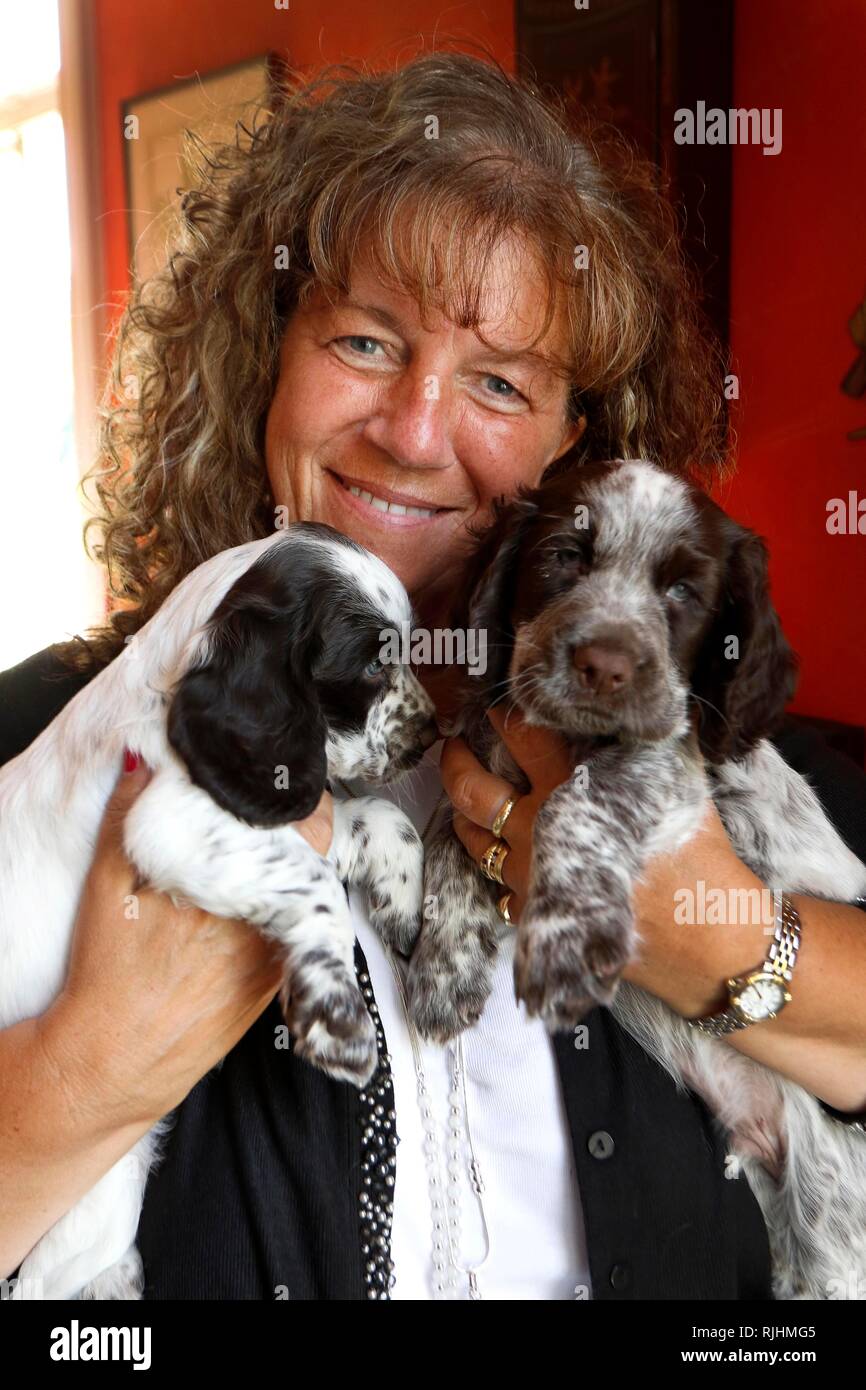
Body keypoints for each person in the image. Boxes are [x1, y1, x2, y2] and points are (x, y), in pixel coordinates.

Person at [1, 52, 865, 1301]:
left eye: (498, 382)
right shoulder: (48, 742)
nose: (412, 431)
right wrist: (91, 1067)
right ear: (267, 357)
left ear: (574, 433)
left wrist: (723, 938)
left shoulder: (699, 761)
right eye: (362, 339)